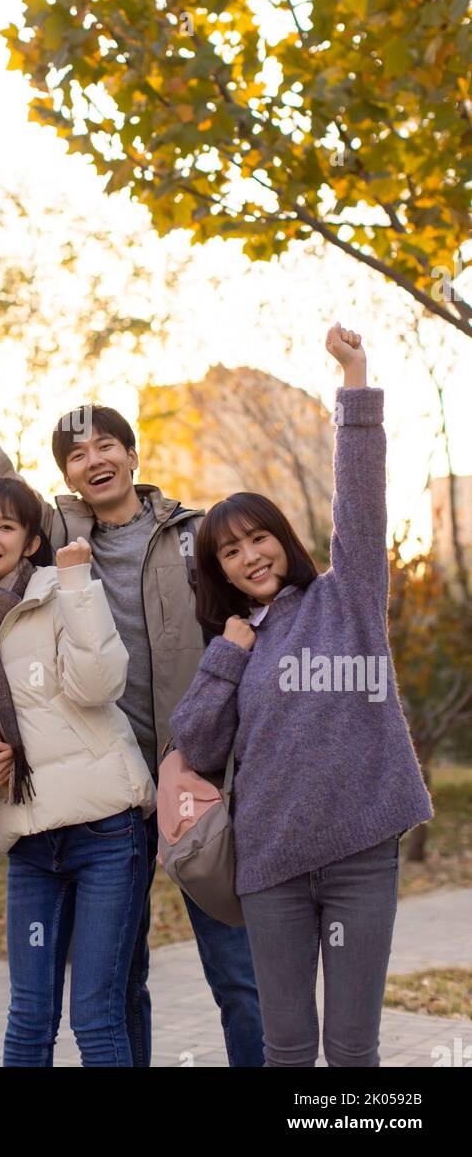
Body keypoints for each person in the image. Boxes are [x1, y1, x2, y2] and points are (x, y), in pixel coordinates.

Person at [0, 331, 264, 1067]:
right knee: (118, 986)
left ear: (131, 457)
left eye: (105, 446)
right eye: (74, 453)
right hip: (115, 799)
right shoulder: (59, 532)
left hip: (200, 780)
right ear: (65, 473)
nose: (91, 459)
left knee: (237, 974)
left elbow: (252, 630)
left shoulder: (195, 539)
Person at [170, 323, 433, 1067]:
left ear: (282, 539)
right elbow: (197, 743)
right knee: (284, 1048)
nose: (249, 555)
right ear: (217, 567)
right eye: (229, 549)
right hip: (269, 866)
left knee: (351, 1051)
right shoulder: (232, 642)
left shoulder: (343, 596)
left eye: (259, 537)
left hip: (356, 855)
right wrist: (228, 653)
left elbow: (360, 499)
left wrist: (354, 382)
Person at [0, 475, 155, 1065]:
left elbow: (100, 685)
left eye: (7, 526)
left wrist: (80, 585)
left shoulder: (65, 591)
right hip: (29, 839)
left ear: (31, 542)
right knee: (29, 1019)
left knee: (96, 1015)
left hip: (107, 831)